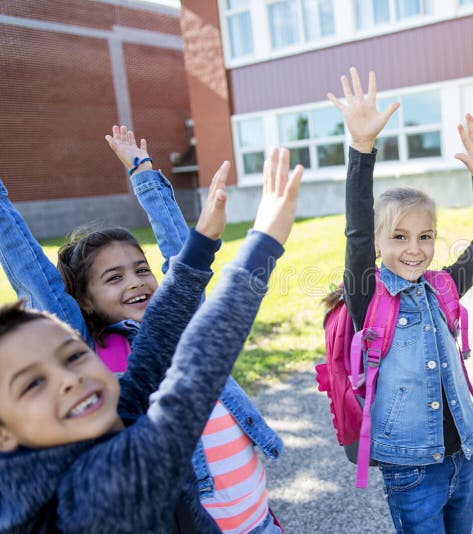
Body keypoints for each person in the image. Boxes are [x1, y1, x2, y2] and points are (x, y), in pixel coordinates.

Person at [0, 148, 303, 532]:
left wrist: (203, 242)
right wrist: (263, 246)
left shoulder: (106, 419)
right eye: (32, 383)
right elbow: (192, 377)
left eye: (74, 356)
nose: (68, 379)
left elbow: (159, 338)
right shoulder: (91, 496)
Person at [327, 67, 473, 532]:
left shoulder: (443, 287)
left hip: (463, 455)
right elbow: (357, 233)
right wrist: (361, 150)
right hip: (411, 468)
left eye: (425, 236)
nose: (415, 249)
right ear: (382, 242)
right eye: (400, 236)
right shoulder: (368, 295)